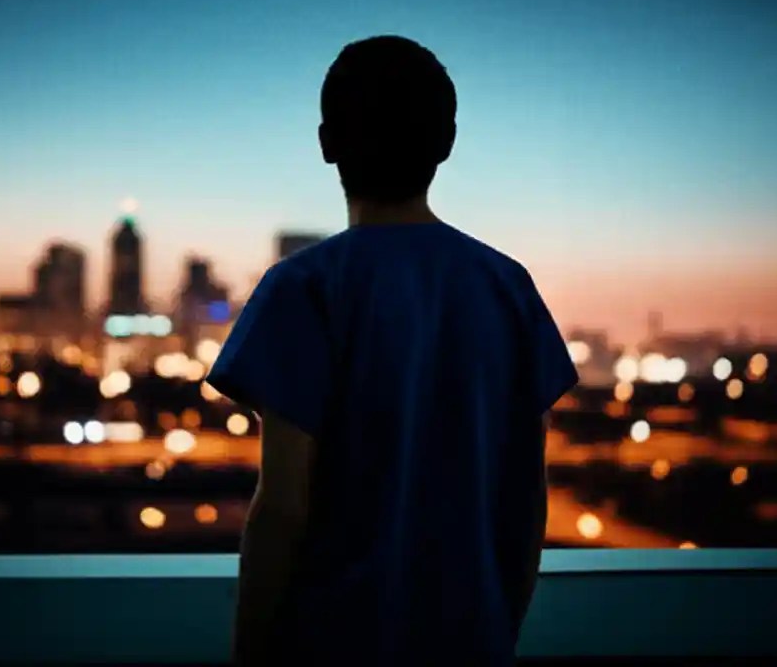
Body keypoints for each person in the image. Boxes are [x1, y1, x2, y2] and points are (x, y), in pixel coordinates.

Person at [206, 35, 578, 666]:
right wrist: (497, 632)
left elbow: (283, 509)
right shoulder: (506, 286)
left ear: (327, 143)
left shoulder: (303, 287)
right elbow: (524, 500)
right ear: (447, 144)